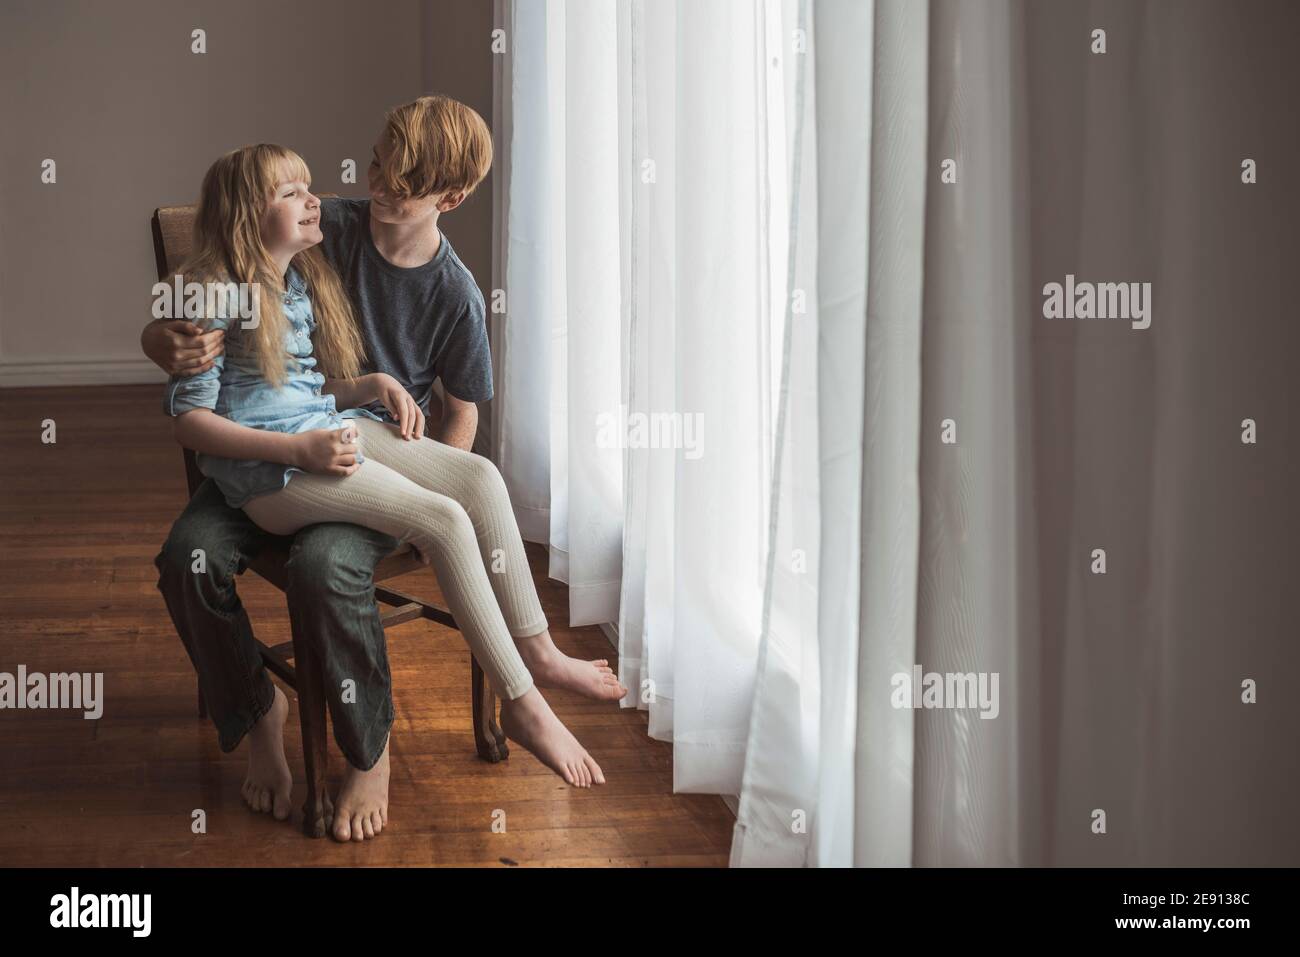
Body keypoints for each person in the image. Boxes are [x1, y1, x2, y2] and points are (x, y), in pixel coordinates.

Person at [144, 99, 625, 844]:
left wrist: (387, 428)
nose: (370, 188)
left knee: (478, 487)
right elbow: (198, 297)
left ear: (448, 198)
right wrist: (159, 337)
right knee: (193, 556)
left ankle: (529, 659)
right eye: (374, 168)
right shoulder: (315, 231)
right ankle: (276, 714)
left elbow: (453, 414)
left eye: (397, 185)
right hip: (281, 460)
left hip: (337, 438)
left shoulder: (444, 291)